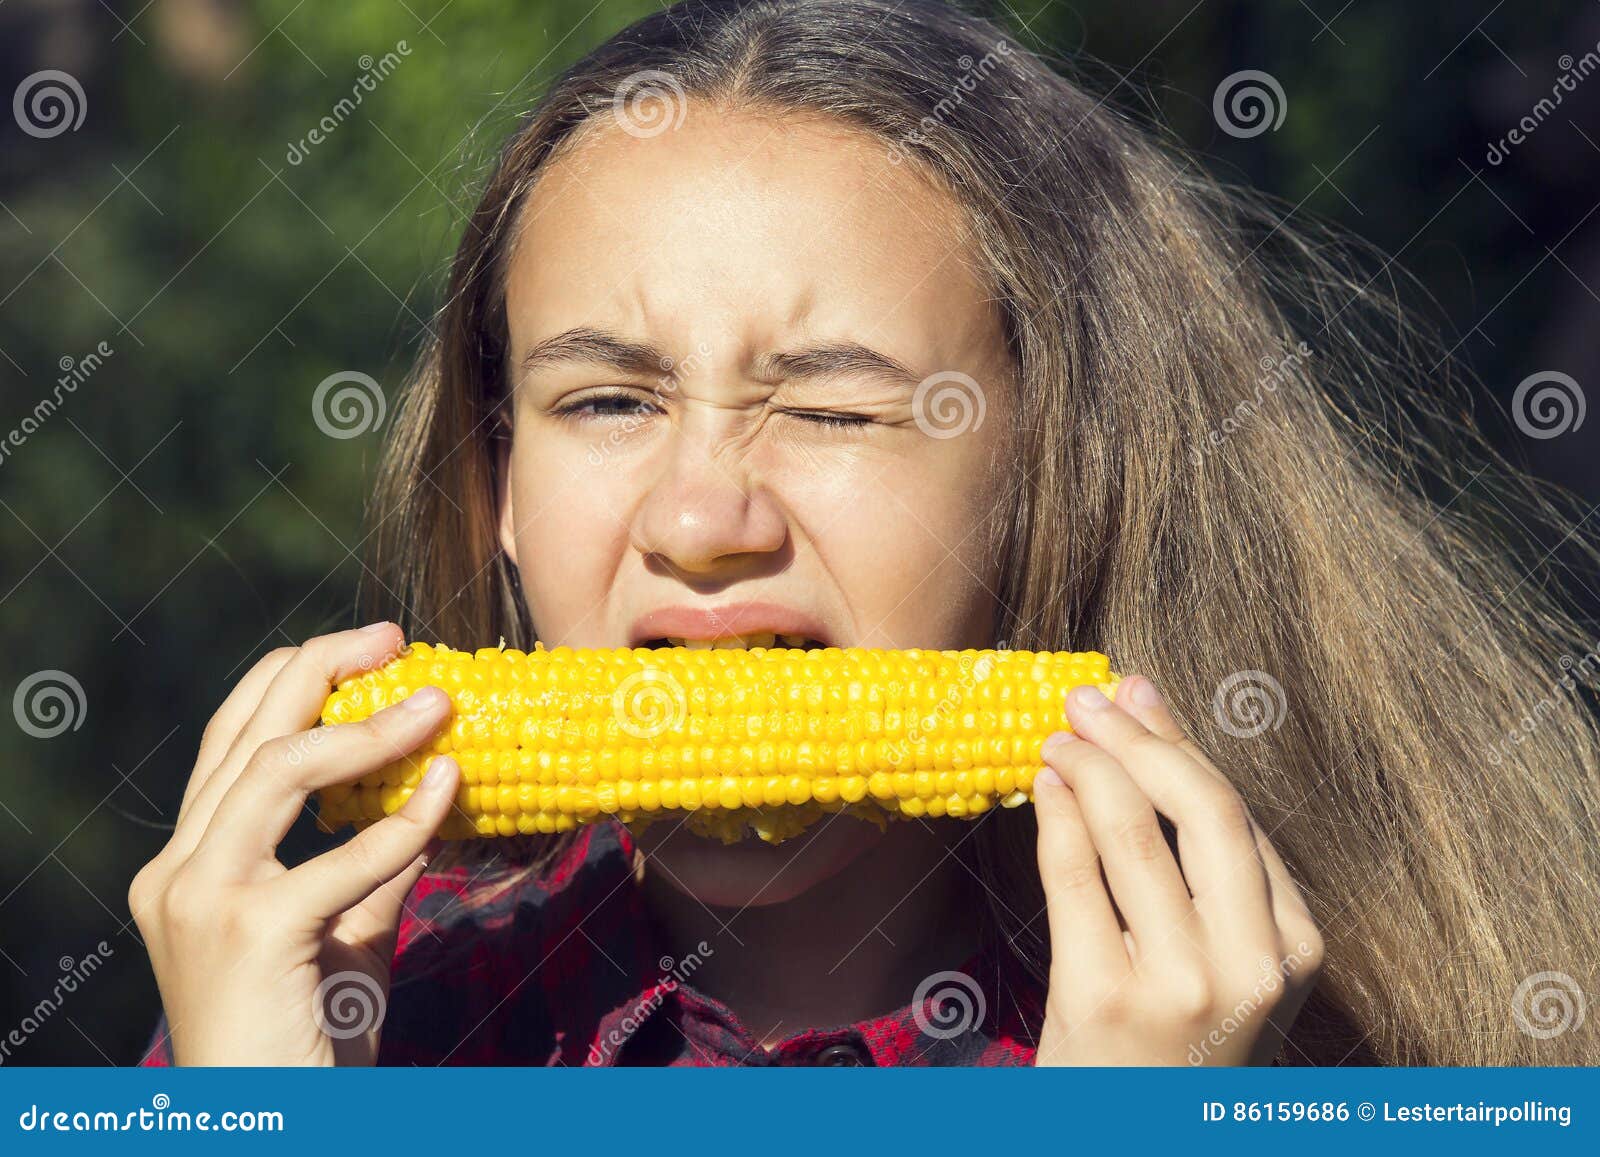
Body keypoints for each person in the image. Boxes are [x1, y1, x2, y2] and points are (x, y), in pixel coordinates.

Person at [132, 0, 1600, 1066]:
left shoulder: (1355, 1055)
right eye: (606, 401)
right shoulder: (343, 1018)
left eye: (835, 411)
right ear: (495, 490)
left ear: (1063, 476)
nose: (703, 518)